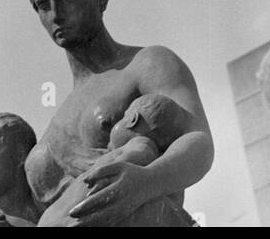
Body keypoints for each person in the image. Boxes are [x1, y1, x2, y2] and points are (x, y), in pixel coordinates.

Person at [24, 0, 213, 227]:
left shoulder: (147, 63)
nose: (55, 14)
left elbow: (198, 142)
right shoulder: (55, 126)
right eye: (43, 6)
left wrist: (146, 182)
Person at [37, 92, 198, 227]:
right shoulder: (125, 150)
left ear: (133, 119)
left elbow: (138, 157)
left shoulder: (140, 144)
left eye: (122, 117)